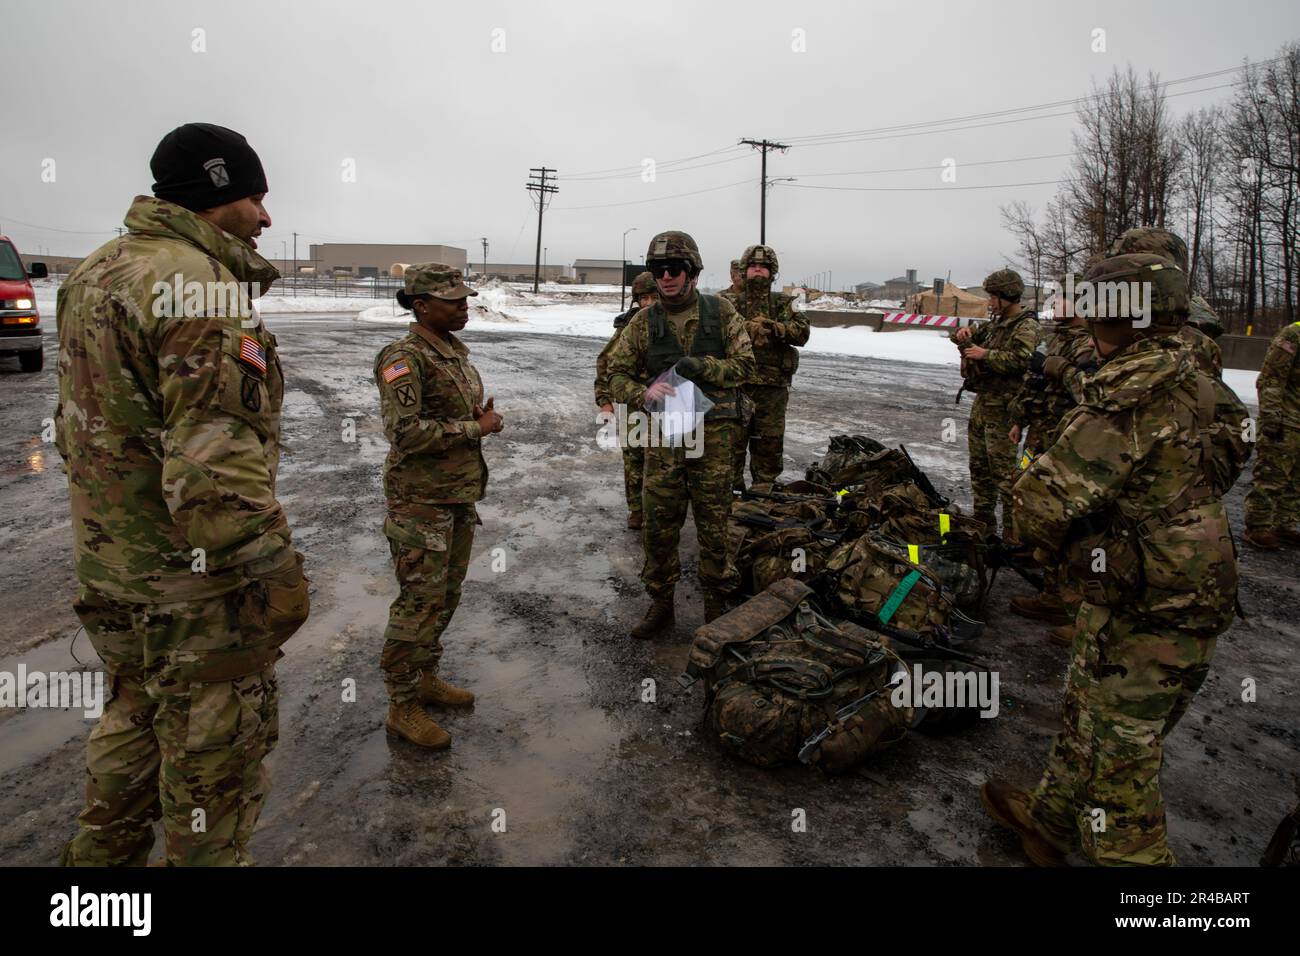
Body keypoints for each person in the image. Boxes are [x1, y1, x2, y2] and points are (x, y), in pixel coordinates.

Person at [55, 123, 309, 866]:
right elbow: (213, 474)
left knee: (131, 724)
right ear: (217, 191)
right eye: (256, 196)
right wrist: (279, 577)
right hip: (192, 594)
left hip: (114, 573)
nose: (266, 215)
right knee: (213, 775)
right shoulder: (197, 286)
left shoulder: (98, 271)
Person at [985, 253, 1238, 866]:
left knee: (1122, 758)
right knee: (1085, 706)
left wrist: (1082, 543)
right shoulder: (1200, 381)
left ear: (1122, 324)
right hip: (1192, 583)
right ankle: (1050, 822)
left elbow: (1038, 505)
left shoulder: (1123, 402)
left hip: (1147, 599)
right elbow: (1228, 460)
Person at [373, 263, 502, 748]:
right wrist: (475, 429)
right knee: (418, 603)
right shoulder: (402, 358)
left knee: (445, 596)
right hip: (420, 502)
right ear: (422, 306)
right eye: (453, 300)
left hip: (456, 497)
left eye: (465, 297)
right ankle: (401, 704)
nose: (464, 305)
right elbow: (405, 433)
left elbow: (441, 415)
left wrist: (475, 416)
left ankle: (424, 677)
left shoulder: (451, 352)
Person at [605, 231, 755, 636]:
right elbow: (614, 373)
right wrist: (643, 392)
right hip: (664, 440)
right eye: (657, 270)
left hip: (715, 439)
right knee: (659, 527)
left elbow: (746, 366)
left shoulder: (720, 312)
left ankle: (715, 606)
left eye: (674, 269)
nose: (666, 277)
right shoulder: (642, 322)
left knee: (715, 528)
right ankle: (661, 605)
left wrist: (705, 368)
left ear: (693, 271)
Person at [1005, 273, 1096, 638]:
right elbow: (1035, 383)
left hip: (1065, 439)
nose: (1055, 304)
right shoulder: (1057, 339)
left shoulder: (1089, 345)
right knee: (1028, 490)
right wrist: (1019, 418)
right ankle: (1041, 569)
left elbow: (1090, 394)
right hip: (1039, 437)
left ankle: (1063, 598)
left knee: (1063, 514)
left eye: (1062, 300)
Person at [949, 269, 1041, 536]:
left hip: (1005, 409)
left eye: (993, 297)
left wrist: (985, 355)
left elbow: (1022, 360)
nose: (989, 302)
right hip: (984, 404)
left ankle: (1013, 537)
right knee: (979, 468)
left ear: (1007, 296)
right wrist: (963, 334)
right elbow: (961, 337)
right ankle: (983, 524)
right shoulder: (995, 324)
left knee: (1005, 475)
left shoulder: (1026, 326)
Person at [722, 244, 809, 489]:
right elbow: (713, 331)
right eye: (753, 266)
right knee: (731, 447)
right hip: (735, 387)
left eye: (763, 267)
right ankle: (732, 496)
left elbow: (802, 332)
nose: (758, 270)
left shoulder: (787, 302)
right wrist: (747, 328)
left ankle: (764, 494)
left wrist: (775, 328)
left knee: (769, 447)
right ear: (743, 270)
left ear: (772, 272)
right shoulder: (725, 301)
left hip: (772, 391)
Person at [595, 271, 658, 529]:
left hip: (670, 402)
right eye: (643, 298)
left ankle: (664, 509)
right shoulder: (629, 326)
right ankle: (637, 509)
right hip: (634, 402)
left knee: (670, 458)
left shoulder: (678, 322)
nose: (648, 303)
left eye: (654, 297)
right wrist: (604, 399)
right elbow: (606, 363)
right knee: (634, 457)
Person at [1243, 319, 1300, 549]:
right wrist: (1271, 416)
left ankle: (1285, 524)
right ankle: (1258, 526)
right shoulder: (1294, 334)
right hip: (1287, 420)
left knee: (1296, 482)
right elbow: (1271, 378)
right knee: (1272, 477)